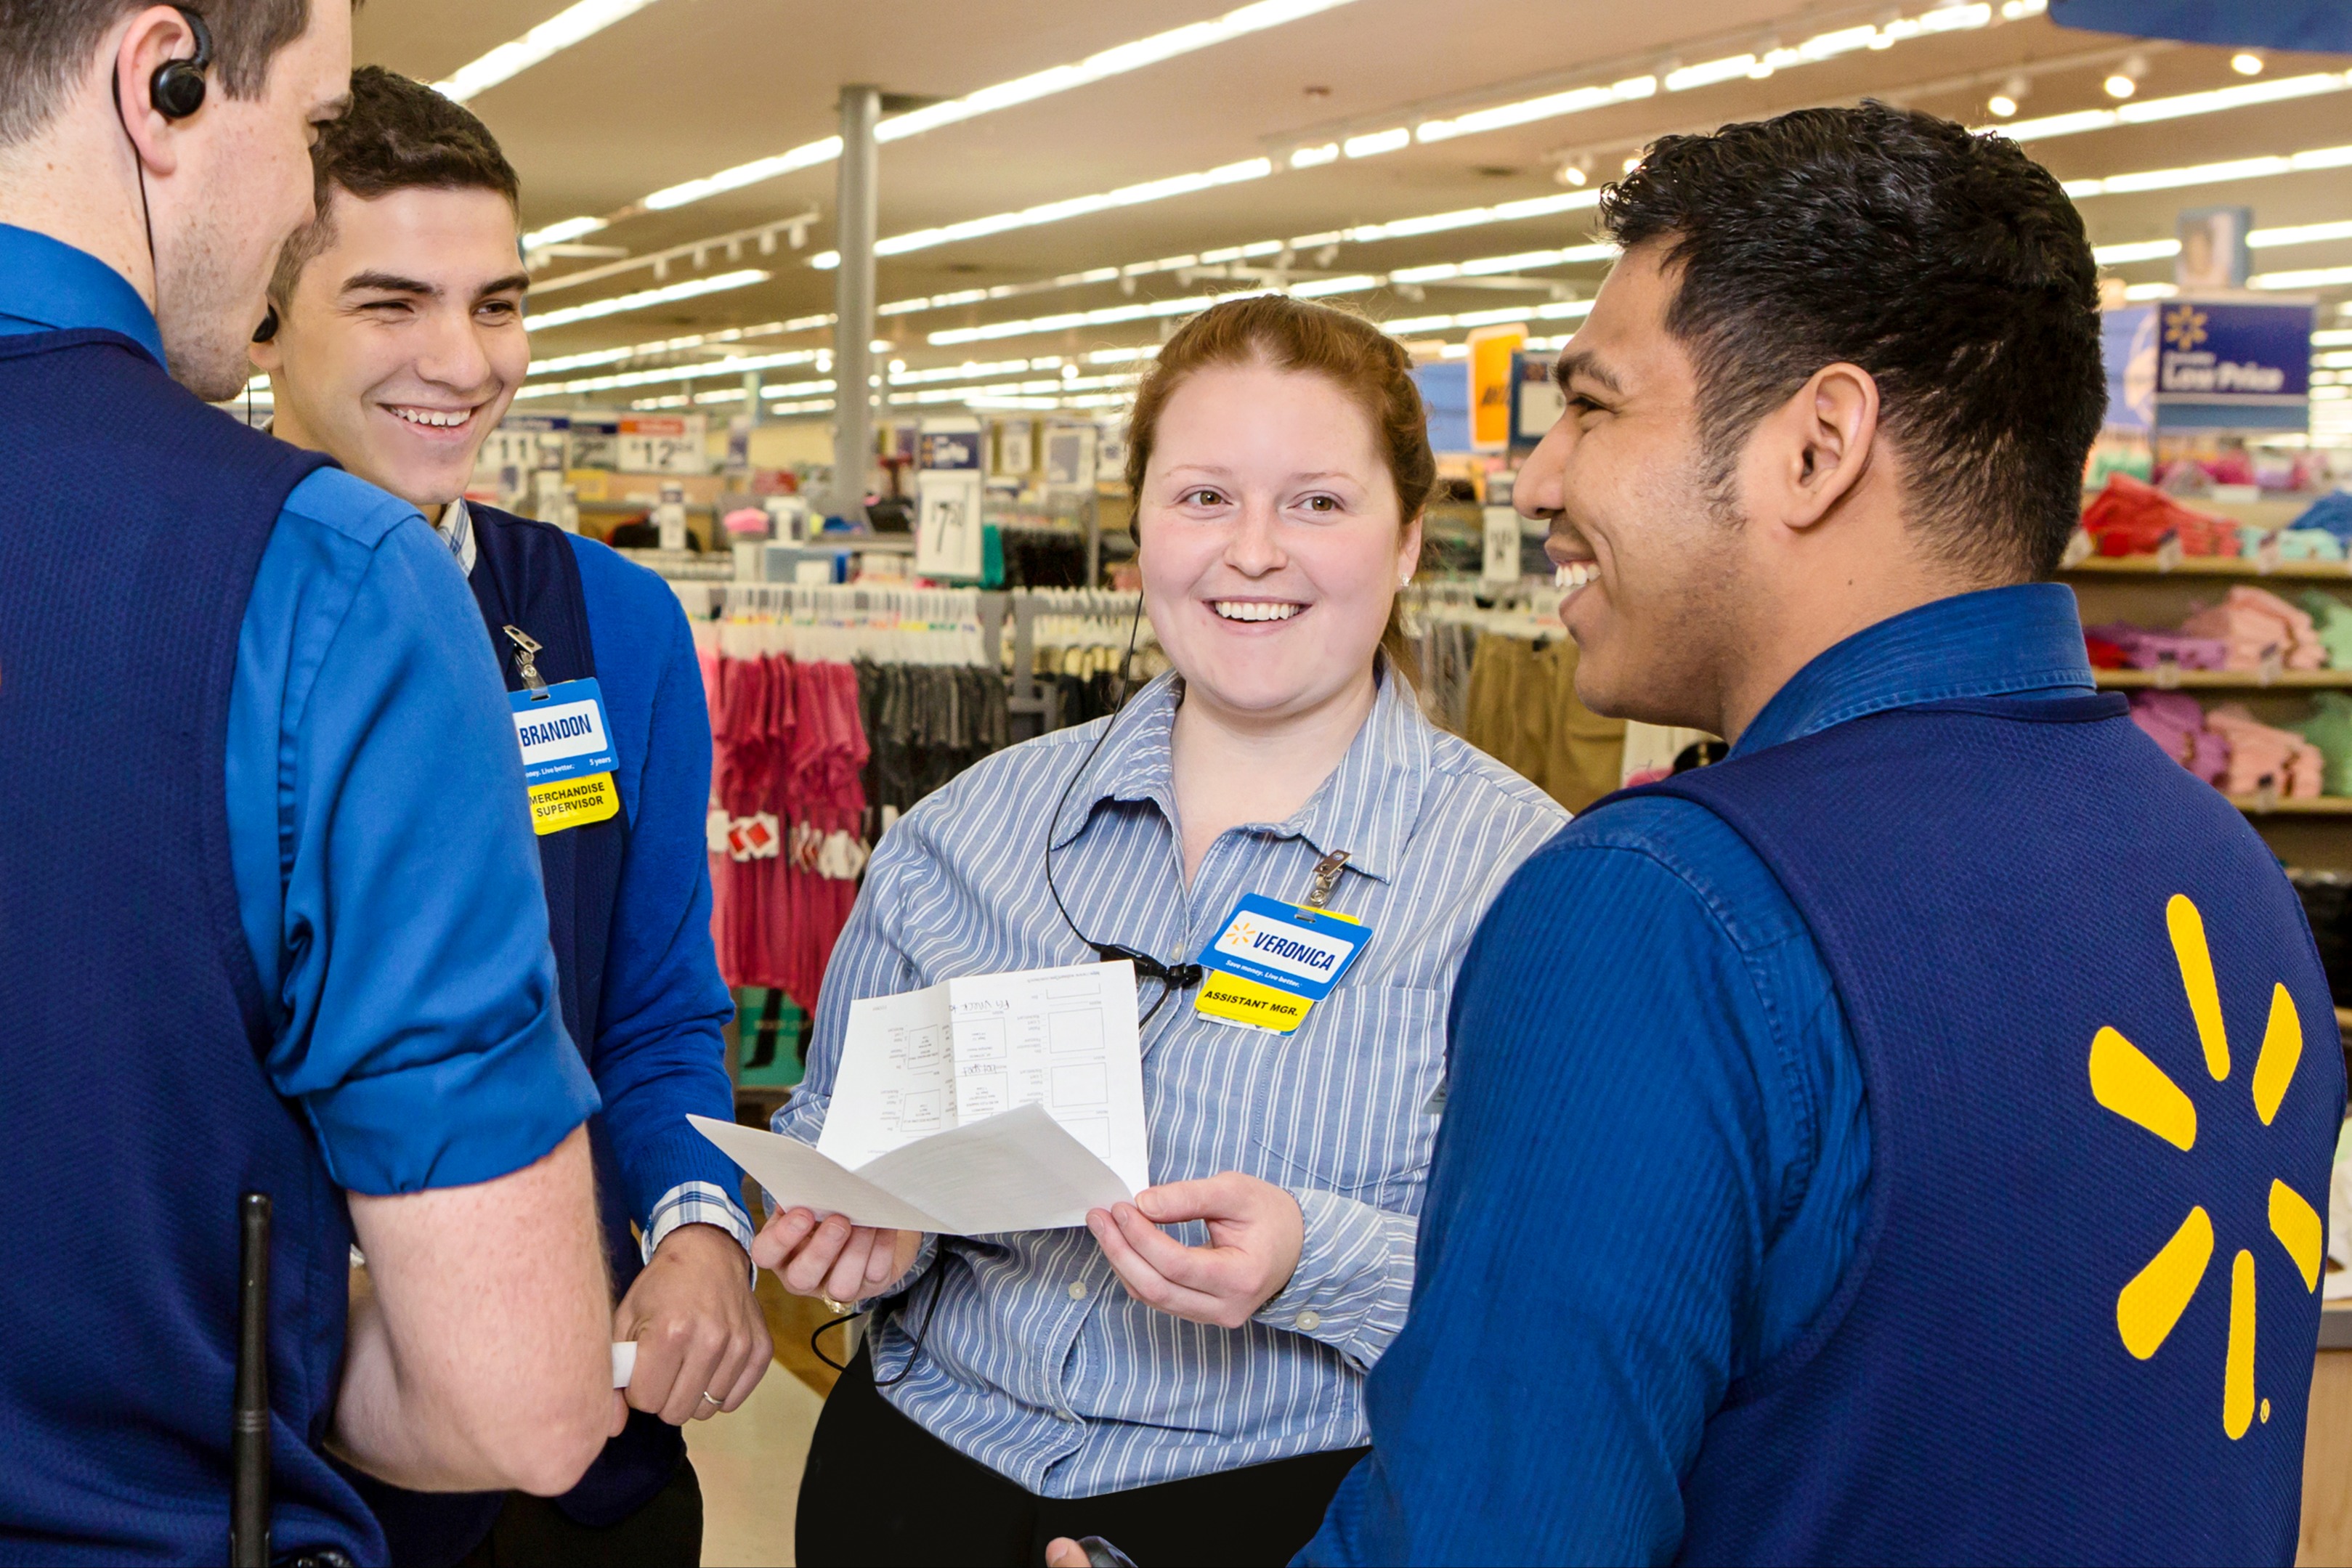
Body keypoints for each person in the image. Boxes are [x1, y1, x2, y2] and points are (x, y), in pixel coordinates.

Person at [1282, 104, 2346, 1565]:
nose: (1535, 478)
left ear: (1813, 447)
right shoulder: (2223, 871)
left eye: (1591, 406)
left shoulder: (1659, 911)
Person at [756, 293, 1568, 1567]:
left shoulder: (1524, 881)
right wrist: (868, 1227)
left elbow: (1564, 1297)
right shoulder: (965, 835)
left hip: (1280, 1515)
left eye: (1316, 502)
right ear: (1139, 532)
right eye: (1202, 498)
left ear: (1408, 540)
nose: (1252, 552)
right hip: (914, 1481)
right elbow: (831, 1127)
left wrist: (1320, 1257)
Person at [0, 4, 622, 1564]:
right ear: (163, 81)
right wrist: (259, 1348)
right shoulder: (327, 582)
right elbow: (523, 1405)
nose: (301, 205)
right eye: (318, 125)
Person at [247, 65, 772, 1568]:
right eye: (392, 302)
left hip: (575, 1438)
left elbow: (657, 1005)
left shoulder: (608, 622)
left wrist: (693, 1228)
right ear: (270, 319)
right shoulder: (186, 612)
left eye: (498, 303)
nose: (460, 360)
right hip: (287, 1449)